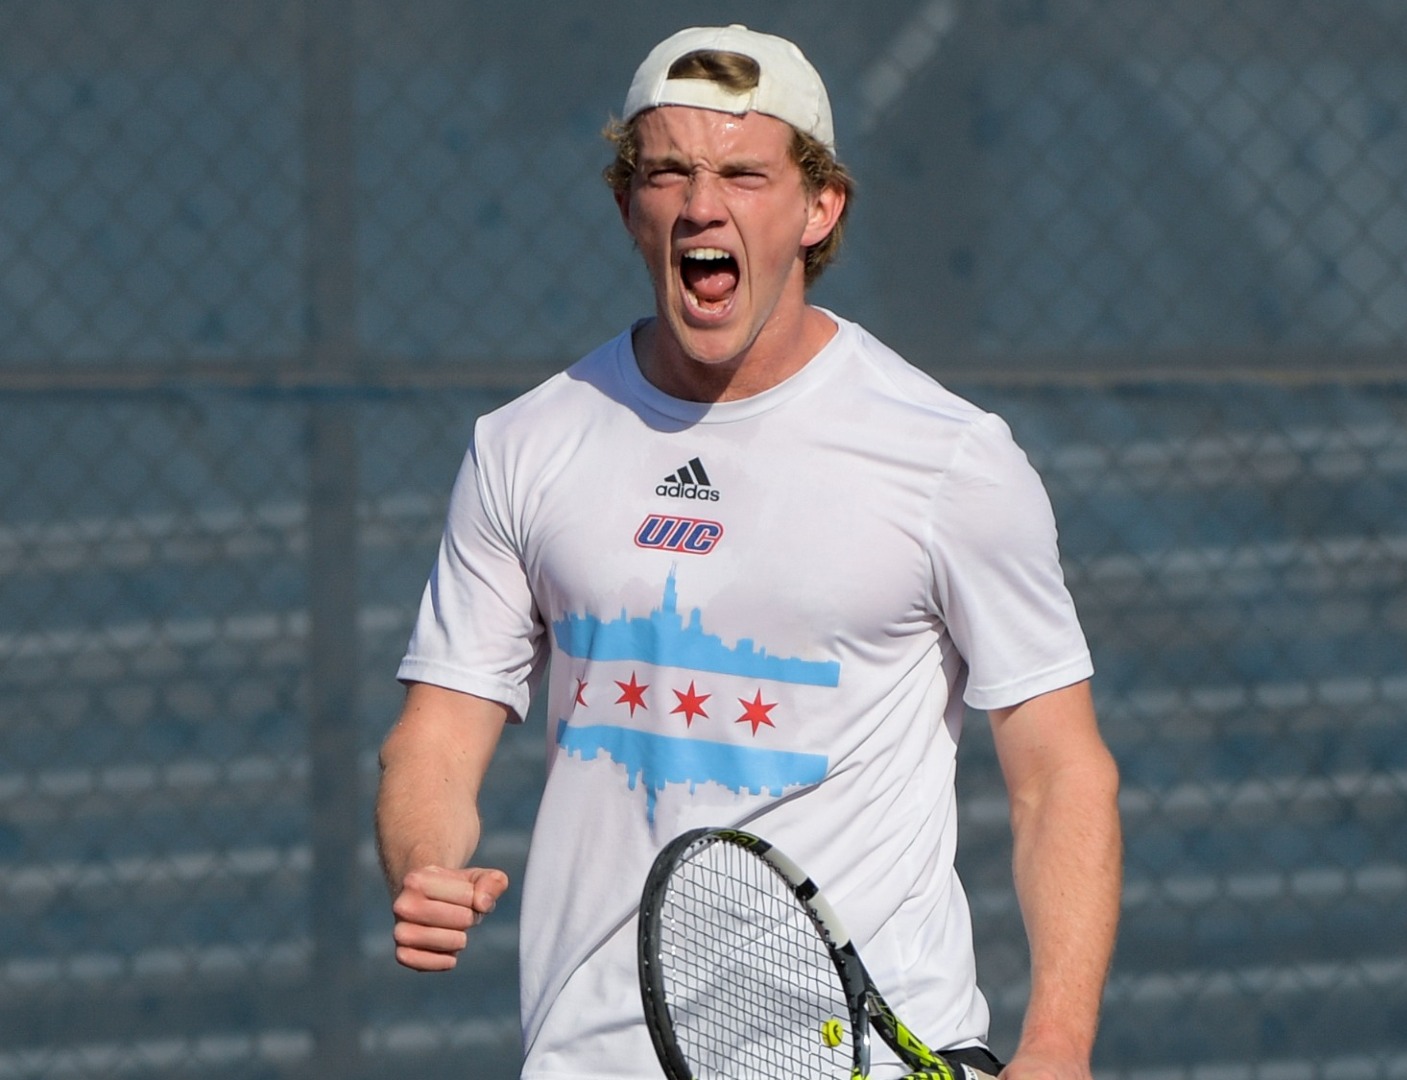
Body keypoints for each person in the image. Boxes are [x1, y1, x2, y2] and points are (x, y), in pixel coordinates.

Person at [374, 23, 1120, 1080]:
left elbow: (1061, 774)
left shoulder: (951, 460)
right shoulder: (525, 445)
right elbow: (435, 737)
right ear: (629, 204)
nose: (700, 204)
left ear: (820, 209)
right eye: (667, 170)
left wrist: (1057, 1045)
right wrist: (424, 862)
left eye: (742, 173)